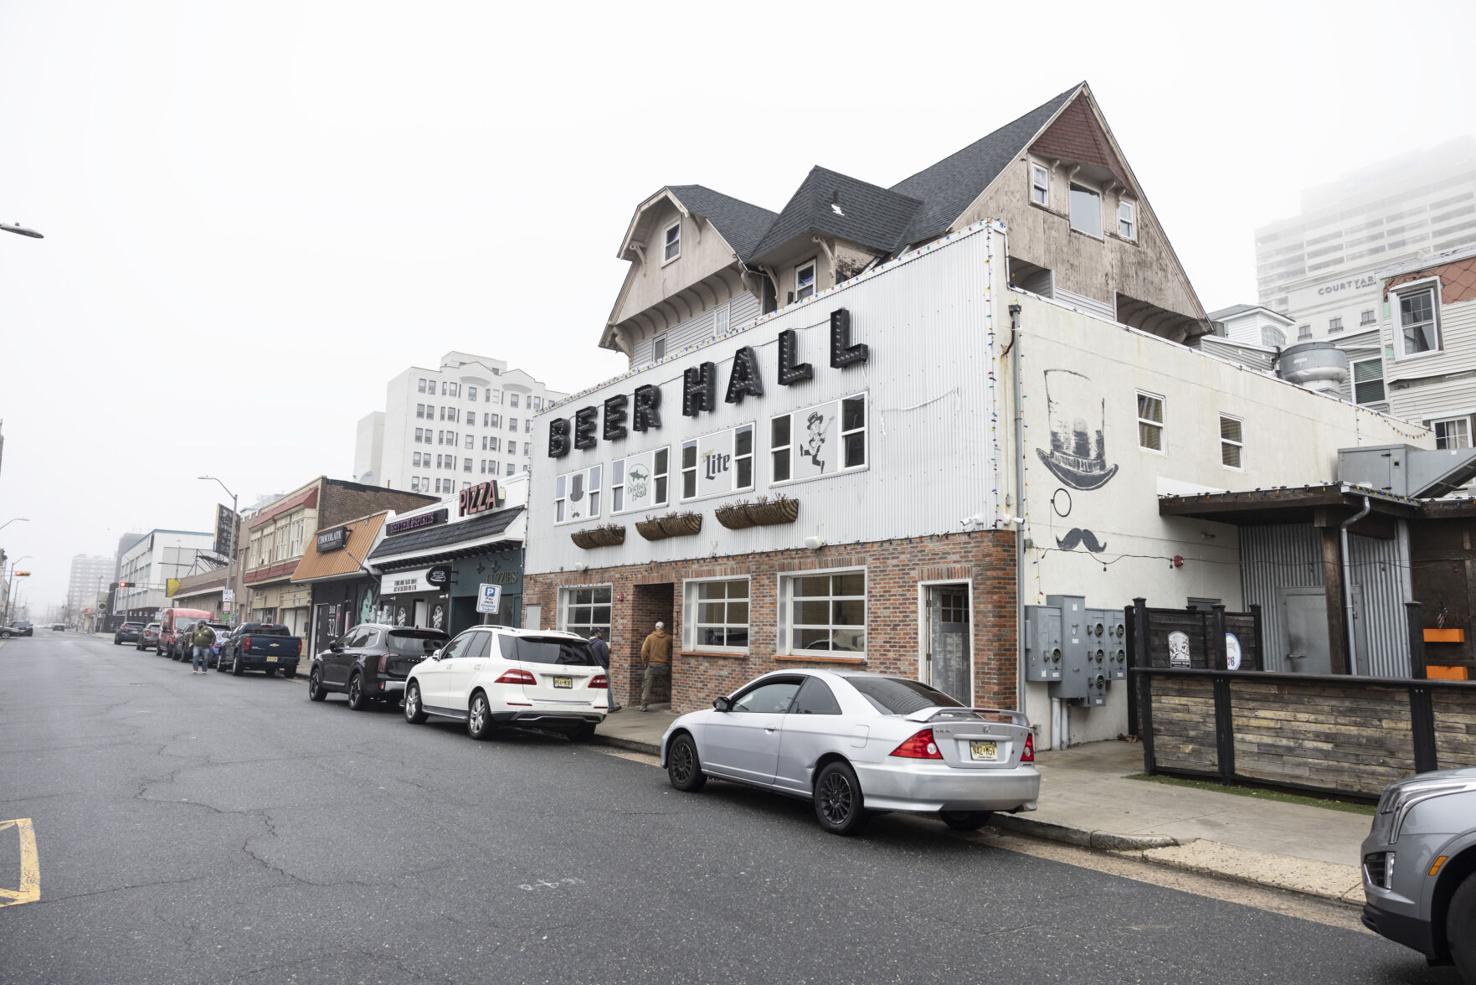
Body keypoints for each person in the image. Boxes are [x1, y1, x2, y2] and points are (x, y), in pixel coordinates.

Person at [639, 620, 672, 712]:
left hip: (652, 665)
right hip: (664, 665)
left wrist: (644, 662)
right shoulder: (669, 638)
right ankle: (673, 703)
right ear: (663, 628)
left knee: (647, 686)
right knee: (668, 685)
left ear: (655, 627)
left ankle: (644, 705)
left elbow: (643, 651)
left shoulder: (650, 637)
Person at [588, 629, 618, 713]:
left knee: (591, 688)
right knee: (607, 688)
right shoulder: (601, 643)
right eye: (600, 632)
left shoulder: (586, 643)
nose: (601, 633)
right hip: (602, 668)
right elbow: (606, 656)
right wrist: (606, 666)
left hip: (590, 669)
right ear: (596, 633)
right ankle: (611, 706)